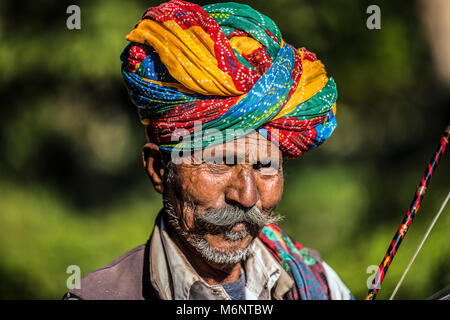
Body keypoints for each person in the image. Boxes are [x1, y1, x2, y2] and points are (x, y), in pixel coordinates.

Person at [64, 0, 352, 300]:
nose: (247, 196)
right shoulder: (103, 295)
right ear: (160, 170)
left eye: (265, 166)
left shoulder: (317, 283)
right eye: (220, 163)